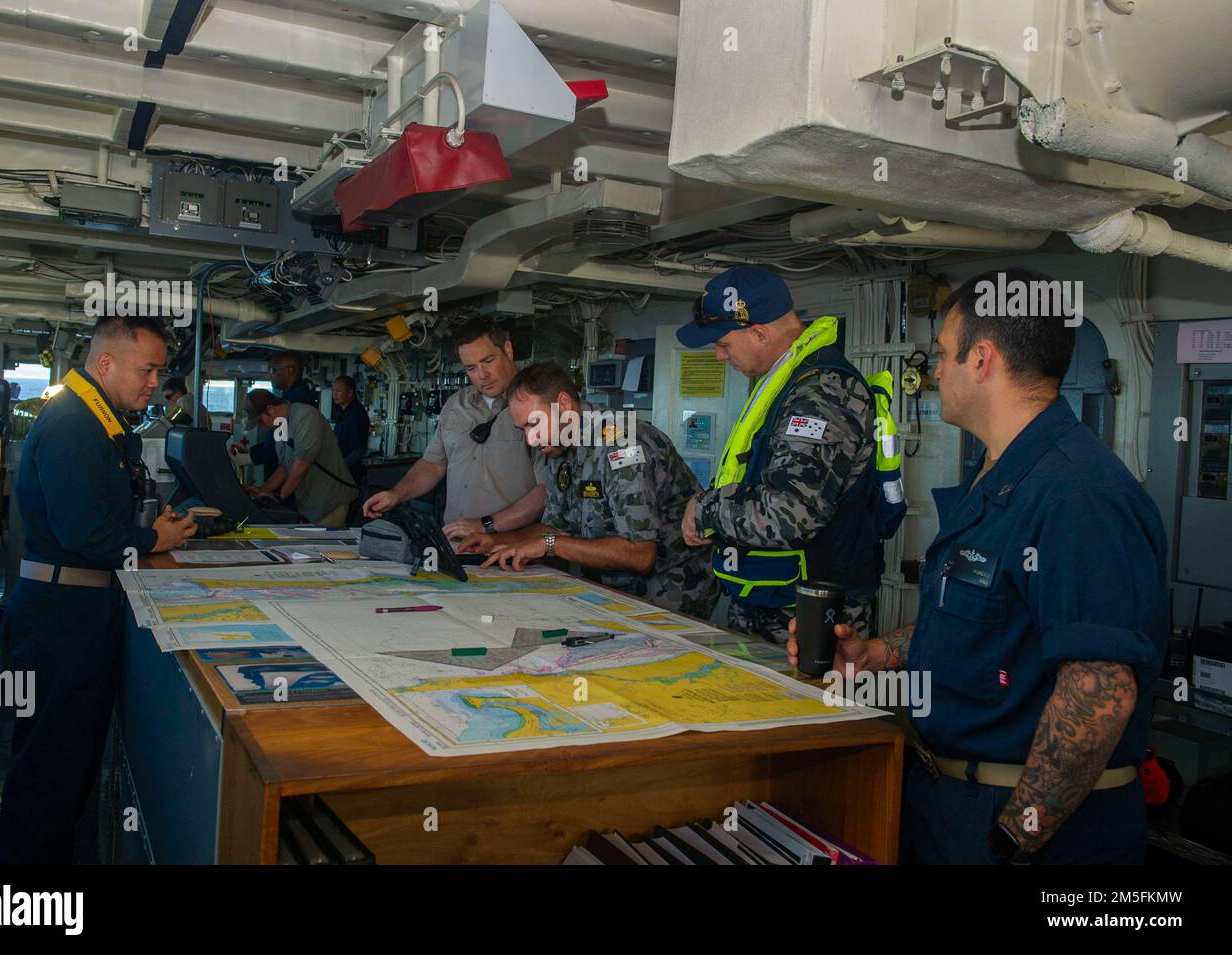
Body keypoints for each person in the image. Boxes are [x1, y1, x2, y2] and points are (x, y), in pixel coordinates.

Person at [788, 267, 1168, 864]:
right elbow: (979, 621)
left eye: (942, 355)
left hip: (1023, 827)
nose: (934, 372)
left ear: (982, 359)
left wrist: (1015, 836)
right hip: (949, 800)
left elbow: (1100, 690)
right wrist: (874, 655)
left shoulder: (1077, 495)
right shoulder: (1003, 475)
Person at [0, 314, 197, 864]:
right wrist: (151, 538)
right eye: (148, 369)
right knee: (49, 767)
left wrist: (146, 530)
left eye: (159, 371)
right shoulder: (72, 424)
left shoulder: (96, 420)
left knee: (67, 762)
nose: (155, 382)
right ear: (105, 363)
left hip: (77, 608)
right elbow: (84, 532)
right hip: (61, 616)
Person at [676, 265, 883, 643]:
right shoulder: (786, 382)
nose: (720, 357)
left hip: (809, 616)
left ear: (759, 333)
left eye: (723, 344)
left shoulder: (821, 394)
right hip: (769, 602)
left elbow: (790, 515)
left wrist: (704, 509)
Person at [458, 362, 718, 619]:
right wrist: (501, 541)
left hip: (670, 594)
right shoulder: (558, 445)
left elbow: (640, 553)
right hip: (612, 593)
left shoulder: (622, 446)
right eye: (523, 429)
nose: (531, 439)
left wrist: (549, 546)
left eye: (533, 424)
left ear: (563, 405)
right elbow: (556, 529)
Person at [362, 319, 547, 542]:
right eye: (471, 368)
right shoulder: (456, 404)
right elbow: (433, 463)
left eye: (488, 361)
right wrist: (397, 494)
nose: (482, 374)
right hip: (456, 544)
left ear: (507, 350)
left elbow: (547, 491)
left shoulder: (539, 404)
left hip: (511, 547)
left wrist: (486, 525)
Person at [244, 389, 357, 528]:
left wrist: (279, 496)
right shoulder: (280, 426)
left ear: (271, 409)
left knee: (324, 548)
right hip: (309, 507)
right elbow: (284, 467)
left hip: (330, 505)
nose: (262, 427)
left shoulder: (306, 417)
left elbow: (301, 465)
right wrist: (262, 491)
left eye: (260, 421)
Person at [250, 352, 317, 474]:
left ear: (289, 370)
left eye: (274, 370)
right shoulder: (290, 395)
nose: (272, 375)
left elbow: (282, 444)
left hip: (287, 476)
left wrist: (251, 456)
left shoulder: (295, 400)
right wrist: (251, 453)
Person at [330, 375, 371, 480]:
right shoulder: (342, 412)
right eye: (333, 390)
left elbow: (359, 449)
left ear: (350, 392)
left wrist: (341, 469)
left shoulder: (357, 414)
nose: (334, 394)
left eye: (338, 391)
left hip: (349, 473)